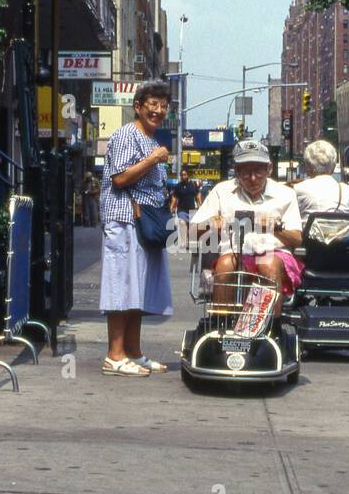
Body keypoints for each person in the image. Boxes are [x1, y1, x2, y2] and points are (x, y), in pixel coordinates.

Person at [99, 80, 174, 377]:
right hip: (124, 219)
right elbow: (119, 179)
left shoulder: (152, 139)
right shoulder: (126, 135)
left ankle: (133, 352)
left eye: (163, 106)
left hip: (144, 223)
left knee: (137, 288)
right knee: (121, 286)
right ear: (138, 107)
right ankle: (114, 356)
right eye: (152, 105)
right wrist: (152, 159)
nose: (157, 111)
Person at [189, 140, 303, 313]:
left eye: (258, 171)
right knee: (225, 265)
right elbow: (191, 232)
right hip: (234, 252)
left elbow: (297, 239)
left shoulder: (286, 194)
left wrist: (274, 227)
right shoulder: (222, 191)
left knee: (267, 264)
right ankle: (222, 325)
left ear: (269, 169)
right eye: (246, 172)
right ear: (237, 171)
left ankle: (269, 327)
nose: (252, 178)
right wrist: (209, 225)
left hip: (274, 254)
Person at [294, 140, 349, 216]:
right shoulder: (346, 190)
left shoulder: (298, 189)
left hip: (311, 228)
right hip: (341, 228)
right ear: (333, 167)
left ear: (309, 167)